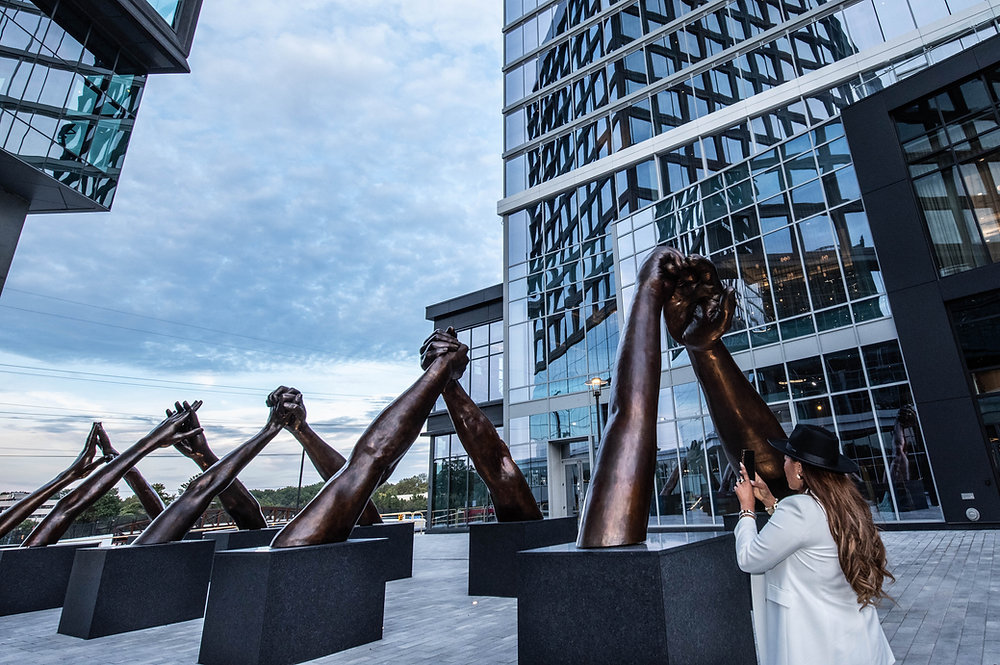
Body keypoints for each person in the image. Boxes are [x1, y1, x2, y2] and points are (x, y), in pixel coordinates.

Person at [734, 424, 895, 665]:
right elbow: (808, 534)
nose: (783, 464)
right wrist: (769, 500)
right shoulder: (847, 505)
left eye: (787, 458)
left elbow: (749, 559)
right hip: (860, 643)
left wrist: (747, 510)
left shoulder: (799, 509)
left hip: (816, 647)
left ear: (799, 468)